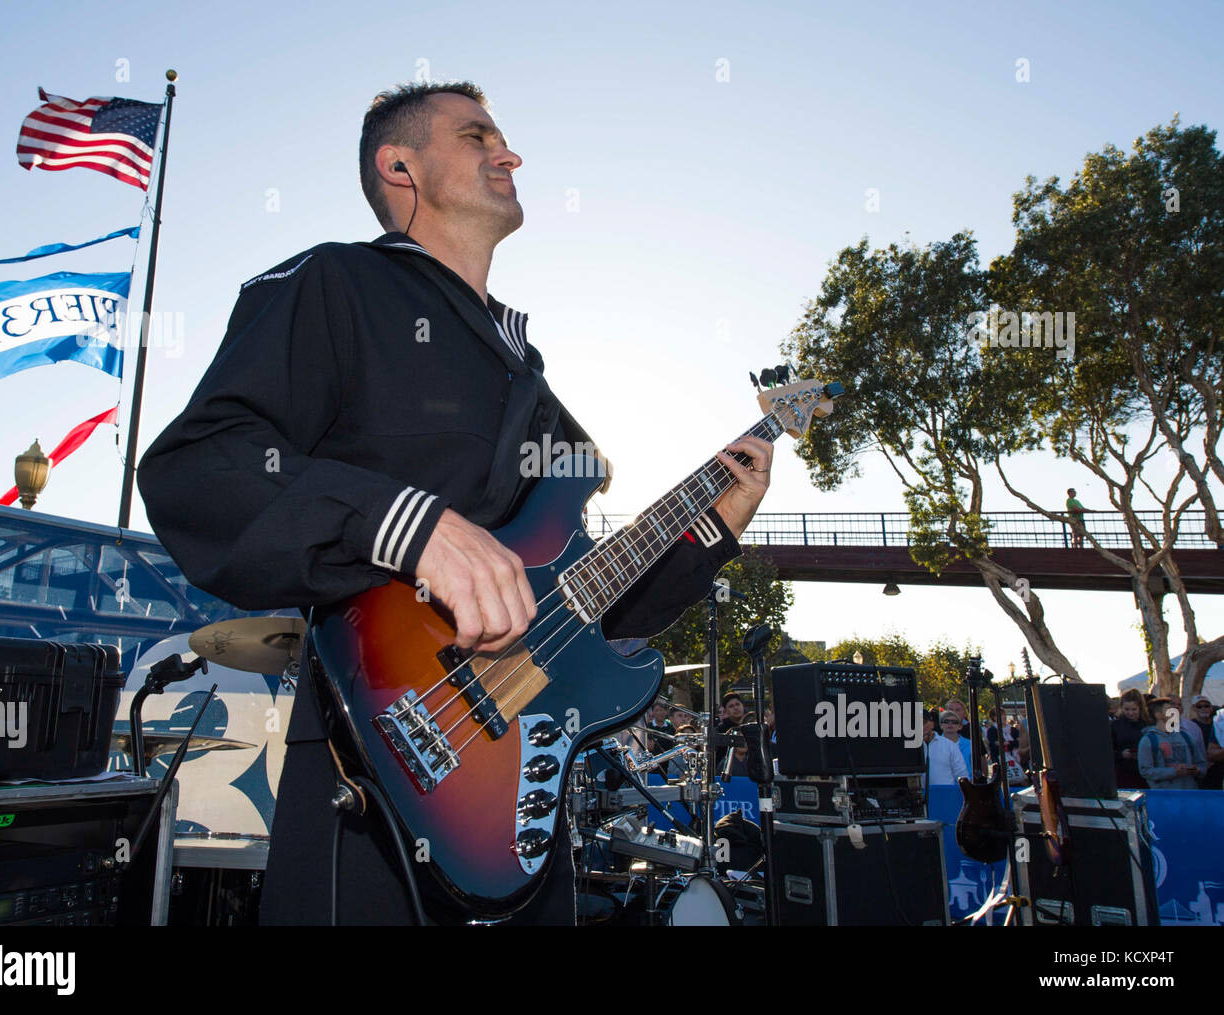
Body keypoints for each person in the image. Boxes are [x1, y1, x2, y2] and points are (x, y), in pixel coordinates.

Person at [136, 80, 775, 926]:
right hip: (368, 781)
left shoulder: (529, 376)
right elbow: (199, 467)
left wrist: (714, 526)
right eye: (477, 137)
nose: (508, 154)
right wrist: (410, 526)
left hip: (515, 819)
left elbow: (596, 606)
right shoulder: (338, 284)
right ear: (399, 166)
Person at [1138, 697, 1206, 790]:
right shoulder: (1148, 740)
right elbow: (1145, 771)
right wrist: (1173, 771)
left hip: (1189, 793)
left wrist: (1197, 770)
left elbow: (1201, 763)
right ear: (1158, 715)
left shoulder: (1185, 736)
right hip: (1164, 796)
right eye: (1169, 710)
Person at [1111, 688, 1150, 789]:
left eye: (1134, 709)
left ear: (1140, 708)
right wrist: (1121, 754)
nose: (1130, 713)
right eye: (1127, 709)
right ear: (1121, 708)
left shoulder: (1149, 723)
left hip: (1146, 773)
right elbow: (1107, 751)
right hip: (1124, 773)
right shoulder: (1115, 726)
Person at [1189, 695, 1224, 790]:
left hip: (1217, 766)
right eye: (1199, 706)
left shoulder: (1218, 724)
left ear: (1211, 707)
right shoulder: (1190, 727)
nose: (1203, 708)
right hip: (1200, 768)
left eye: (1206, 706)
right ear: (1193, 708)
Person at [927, 711, 971, 786]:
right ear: (941, 725)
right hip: (940, 789)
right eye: (946, 721)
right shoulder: (930, 744)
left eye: (954, 722)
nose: (950, 724)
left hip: (963, 787)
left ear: (960, 726)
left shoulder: (970, 744)